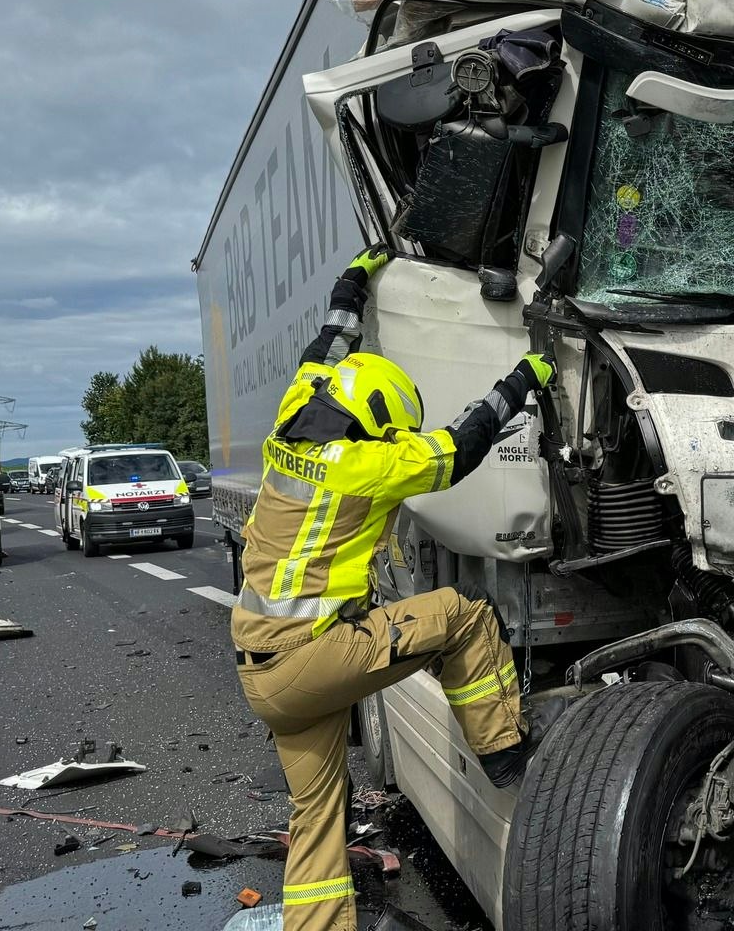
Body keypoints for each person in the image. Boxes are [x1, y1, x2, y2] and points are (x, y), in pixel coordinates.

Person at [231, 244, 550, 931]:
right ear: (379, 420)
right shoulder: (365, 464)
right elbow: (462, 445)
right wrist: (530, 372)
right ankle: (503, 750)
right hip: (312, 660)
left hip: (260, 672)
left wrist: (358, 277)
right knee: (463, 616)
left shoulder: (293, 418)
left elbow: (329, 338)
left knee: (317, 817)